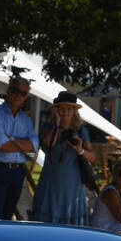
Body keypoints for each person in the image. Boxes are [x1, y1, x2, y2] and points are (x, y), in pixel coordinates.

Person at [32, 92, 94, 226]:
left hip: (72, 185)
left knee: (71, 225)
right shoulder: (48, 128)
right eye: (62, 108)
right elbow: (49, 143)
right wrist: (58, 125)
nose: (65, 112)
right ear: (56, 110)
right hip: (51, 183)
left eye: (69, 109)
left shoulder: (81, 130)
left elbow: (93, 157)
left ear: (74, 111)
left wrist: (80, 150)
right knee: (46, 225)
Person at [0, 76, 39, 220]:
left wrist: (11, 138)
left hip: (18, 171)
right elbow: (2, 145)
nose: (18, 96)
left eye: (23, 93)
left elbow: (34, 146)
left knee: (8, 218)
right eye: (15, 91)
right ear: (8, 91)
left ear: (26, 97)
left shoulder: (26, 120)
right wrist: (22, 145)